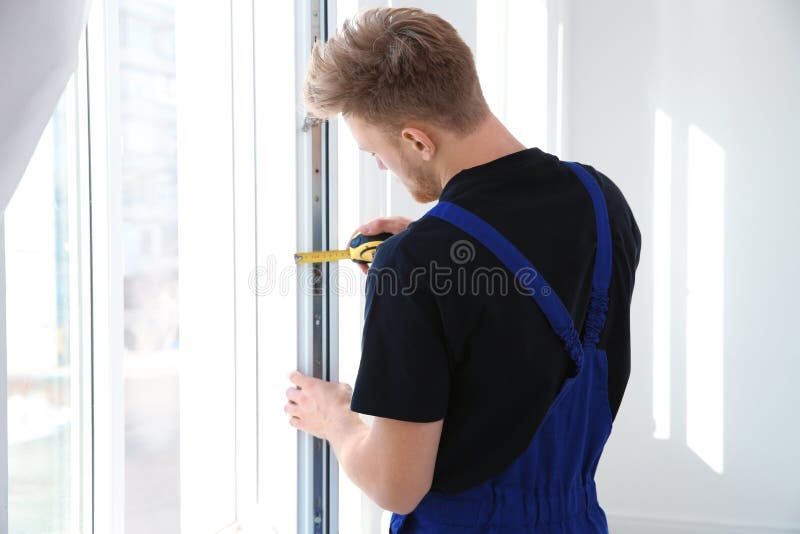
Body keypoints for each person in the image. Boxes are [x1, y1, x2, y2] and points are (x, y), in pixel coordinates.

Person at [284, 7, 641, 533]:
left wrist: (336, 417)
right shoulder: (601, 199)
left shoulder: (413, 264)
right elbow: (536, 317)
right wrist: (438, 252)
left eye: (374, 152)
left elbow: (396, 483)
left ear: (417, 141)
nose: (380, 167)